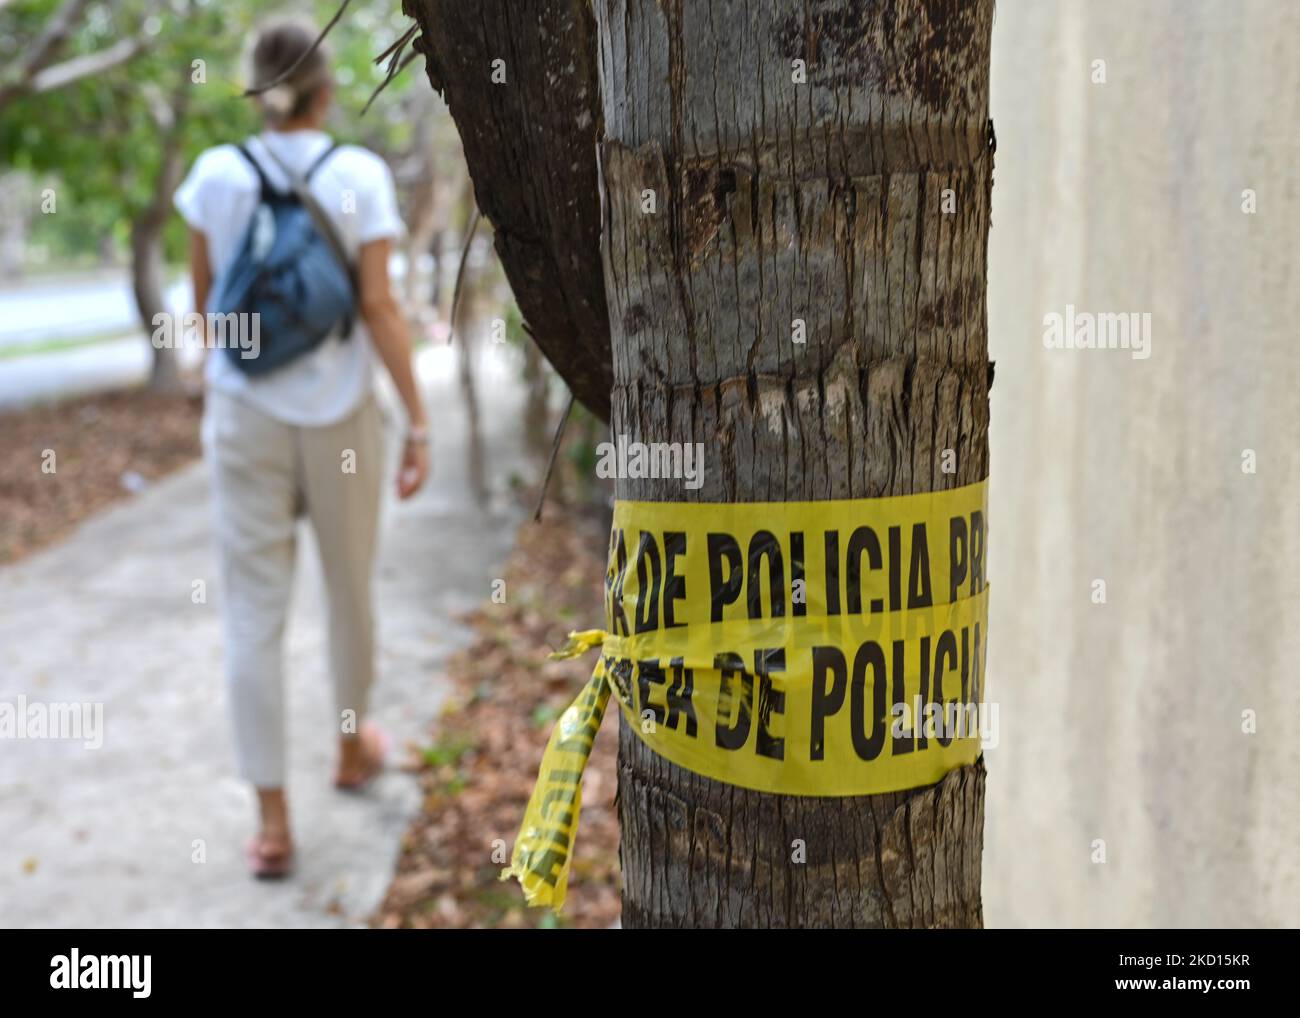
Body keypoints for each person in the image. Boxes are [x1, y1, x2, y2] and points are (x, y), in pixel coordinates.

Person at [174, 18, 429, 878]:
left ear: (255, 91)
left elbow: (208, 309)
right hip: (341, 419)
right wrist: (417, 419)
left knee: (252, 614)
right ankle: (352, 752)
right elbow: (382, 308)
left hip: (245, 420)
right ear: (324, 89)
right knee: (349, 597)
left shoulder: (215, 174)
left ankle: (273, 821)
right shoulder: (357, 173)